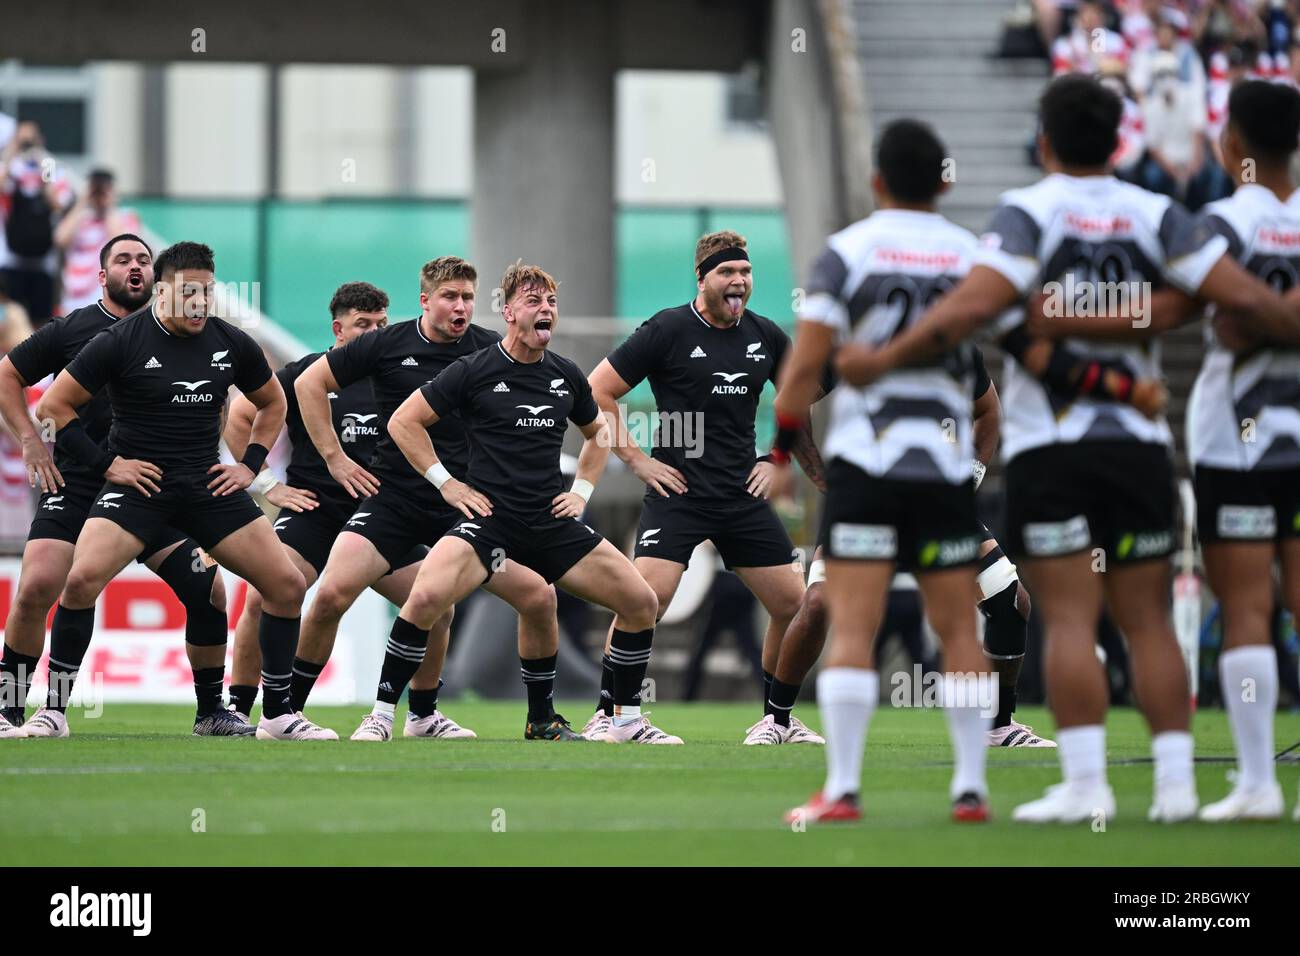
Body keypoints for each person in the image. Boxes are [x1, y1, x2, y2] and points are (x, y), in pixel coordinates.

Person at [835, 75, 1300, 823]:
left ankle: (1087, 787)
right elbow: (1227, 298)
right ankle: (1178, 788)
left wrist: (891, 355)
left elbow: (980, 305)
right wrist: (1133, 317)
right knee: (1148, 617)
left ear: (1044, 142)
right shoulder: (1159, 213)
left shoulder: (1027, 212)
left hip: (1053, 446)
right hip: (1141, 444)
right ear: (1122, 142)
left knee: (1073, 619)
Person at [771, 119, 998, 824]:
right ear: (946, 180)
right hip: (941, 465)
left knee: (852, 625)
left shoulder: (846, 253)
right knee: (959, 627)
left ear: (876, 181)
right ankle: (969, 789)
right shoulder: (975, 255)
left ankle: (842, 789)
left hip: (868, 464)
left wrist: (779, 458)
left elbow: (803, 371)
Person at [28, 241, 332, 740]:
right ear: (161, 290)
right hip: (140, 489)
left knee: (286, 585)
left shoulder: (231, 342)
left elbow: (272, 403)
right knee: (79, 582)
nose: (199, 303)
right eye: (189, 292)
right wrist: (109, 465)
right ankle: (54, 712)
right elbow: (53, 409)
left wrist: (250, 468)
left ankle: (275, 716)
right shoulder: (119, 340)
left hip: (207, 486)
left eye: (208, 292)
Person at [355, 262, 664, 744]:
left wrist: (581, 491)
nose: (546, 310)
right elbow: (403, 422)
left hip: (549, 523)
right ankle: (379, 717)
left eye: (552, 303)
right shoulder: (474, 369)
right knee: (425, 600)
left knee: (641, 601)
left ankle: (614, 721)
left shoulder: (565, 375)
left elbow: (599, 433)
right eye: (534, 302)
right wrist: (447, 484)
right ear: (509, 312)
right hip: (489, 523)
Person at [290, 257, 559, 739]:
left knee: (536, 594)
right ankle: (286, 712)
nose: (461, 307)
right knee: (330, 594)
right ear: (425, 301)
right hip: (392, 502)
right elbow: (309, 383)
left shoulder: (487, 351)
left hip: (462, 511)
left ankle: (429, 716)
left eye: (468, 298)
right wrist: (333, 457)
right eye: (450, 297)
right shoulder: (385, 343)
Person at [585, 231, 828, 744]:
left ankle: (776, 720)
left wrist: (778, 458)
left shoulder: (766, 336)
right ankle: (610, 714)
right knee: (643, 601)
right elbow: (597, 390)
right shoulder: (668, 329)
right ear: (702, 279)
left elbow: (798, 398)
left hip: (742, 497)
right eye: (726, 273)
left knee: (795, 606)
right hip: (678, 495)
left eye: (745, 272)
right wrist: (637, 460)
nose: (738, 281)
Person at [0, 234, 247, 738]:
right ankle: (14, 711)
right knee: (40, 588)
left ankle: (211, 712)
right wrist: (29, 441)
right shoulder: (76, 330)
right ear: (101, 274)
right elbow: (8, 375)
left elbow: (225, 398)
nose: (134, 266)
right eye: (122, 259)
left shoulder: (190, 334)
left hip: (155, 490)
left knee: (208, 589)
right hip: (79, 483)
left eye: (141, 259)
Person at [223, 281, 473, 737]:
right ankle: (238, 710)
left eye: (381, 324)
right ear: (338, 329)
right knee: (266, 595)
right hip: (315, 511)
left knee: (436, 604)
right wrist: (268, 486)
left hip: (379, 517)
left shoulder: (401, 374)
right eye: (363, 325)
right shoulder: (306, 375)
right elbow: (242, 416)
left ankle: (422, 713)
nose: (375, 333)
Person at [1184, 80, 1300, 820]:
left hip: (1235, 442)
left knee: (1247, 608)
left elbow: (1224, 323)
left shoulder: (1221, 223)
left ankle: (1258, 783)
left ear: (1232, 145)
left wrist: (1260, 320)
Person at [0, 121, 73, 325]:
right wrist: (12, 153)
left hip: (43, 263)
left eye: (30, 140)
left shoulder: (50, 167)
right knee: (12, 320)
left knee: (40, 321)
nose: (27, 145)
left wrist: (42, 163)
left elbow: (58, 203)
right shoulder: (11, 168)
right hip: (11, 260)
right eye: (22, 140)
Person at [54, 168, 141, 314]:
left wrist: (109, 205)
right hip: (73, 298)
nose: (99, 193)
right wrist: (82, 201)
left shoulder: (125, 217)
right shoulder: (81, 218)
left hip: (106, 297)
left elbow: (122, 244)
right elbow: (60, 239)